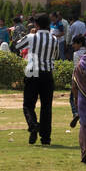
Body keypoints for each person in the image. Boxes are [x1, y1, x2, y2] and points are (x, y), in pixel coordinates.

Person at [16, 12, 58, 146]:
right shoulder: (54, 39)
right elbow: (55, 56)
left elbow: (17, 46)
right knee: (46, 107)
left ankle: (33, 124)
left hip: (32, 72)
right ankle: (46, 138)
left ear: (36, 24)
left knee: (28, 104)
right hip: (47, 74)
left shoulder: (31, 37)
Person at [68, 34, 85, 128]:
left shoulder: (76, 54)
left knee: (73, 98)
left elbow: (76, 68)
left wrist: (73, 81)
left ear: (79, 43)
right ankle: (84, 117)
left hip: (78, 79)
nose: (73, 46)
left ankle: (75, 113)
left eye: (74, 44)